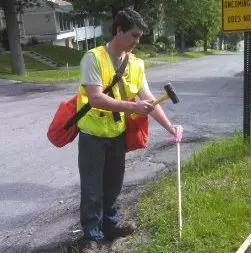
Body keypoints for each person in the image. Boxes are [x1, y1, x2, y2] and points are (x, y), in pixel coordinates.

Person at [77, 8, 181, 252]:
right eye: (133, 35)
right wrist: (132, 106)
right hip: (92, 135)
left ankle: (110, 226)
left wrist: (170, 127)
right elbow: (95, 99)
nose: (137, 41)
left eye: (139, 37)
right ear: (119, 30)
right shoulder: (93, 58)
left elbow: (148, 99)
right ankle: (91, 237)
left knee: (113, 185)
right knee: (92, 189)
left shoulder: (136, 64)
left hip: (117, 134)